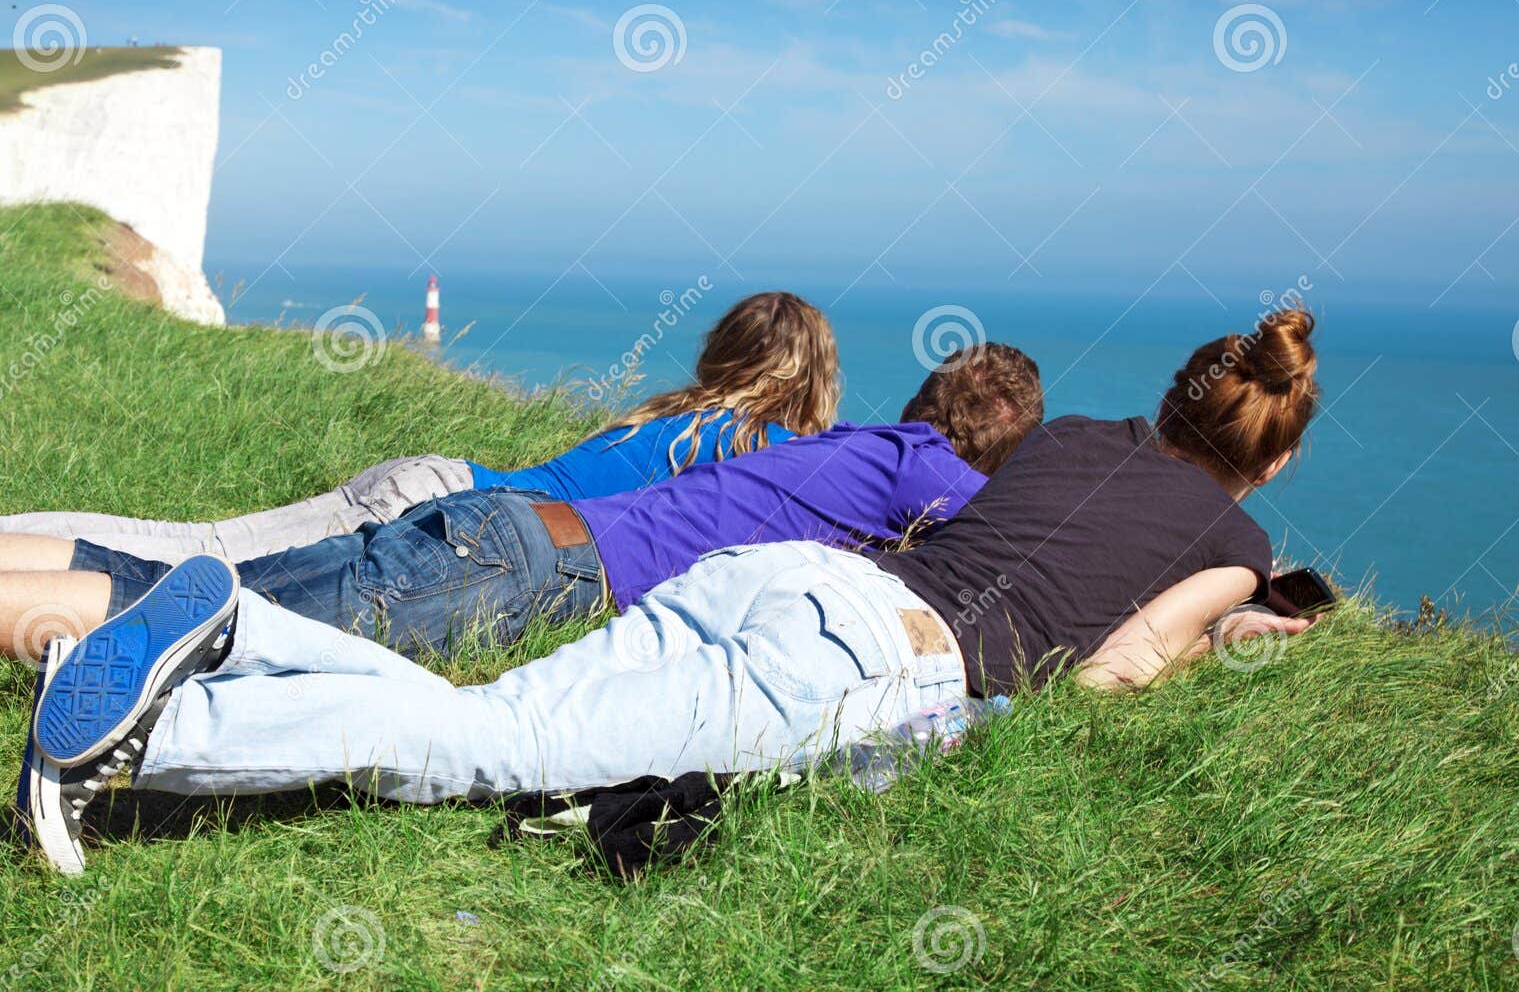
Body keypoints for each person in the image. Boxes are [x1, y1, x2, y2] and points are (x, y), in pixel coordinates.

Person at [20, 311, 1324, 876]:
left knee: (508, 727)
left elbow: (1039, 541)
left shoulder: (1072, 435)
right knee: (489, 744)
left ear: (1178, 399)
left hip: (781, 582)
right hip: (876, 655)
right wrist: (1233, 628)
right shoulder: (1234, 544)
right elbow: (1114, 673)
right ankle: (135, 742)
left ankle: (230, 624)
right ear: (1277, 454)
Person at [0, 345, 1045, 662]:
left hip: (488, 526)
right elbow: (1026, 538)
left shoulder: (843, 449)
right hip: (517, 562)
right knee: (209, 623)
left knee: (187, 578)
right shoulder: (926, 474)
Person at [0, 291, 841, 561]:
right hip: (441, 509)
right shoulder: (759, 455)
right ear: (815, 377)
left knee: (198, 543)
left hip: (437, 480)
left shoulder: (674, 415)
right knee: (200, 556)